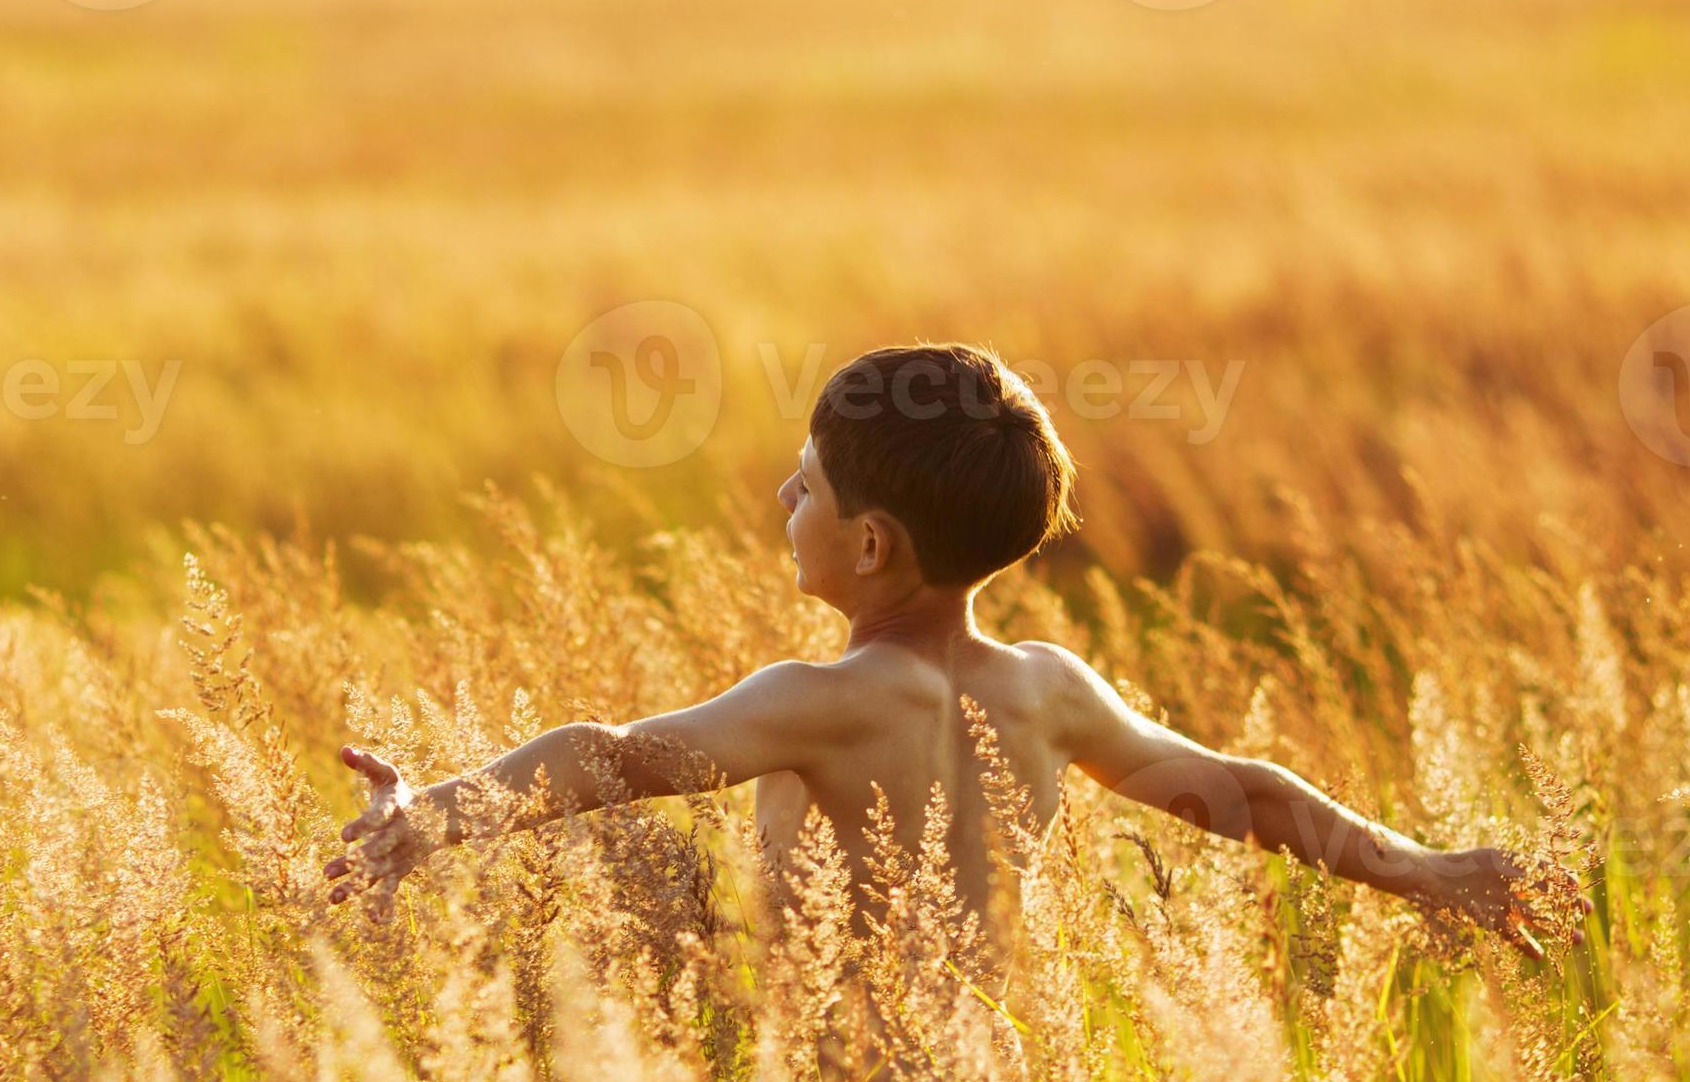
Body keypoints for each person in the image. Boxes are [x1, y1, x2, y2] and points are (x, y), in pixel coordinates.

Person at [327, 342, 1558, 959]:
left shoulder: (821, 701)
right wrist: (1426, 870)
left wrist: (430, 814)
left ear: (867, 546)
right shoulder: (1049, 688)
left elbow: (611, 758)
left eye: (803, 487)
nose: (777, 495)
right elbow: (1241, 794)